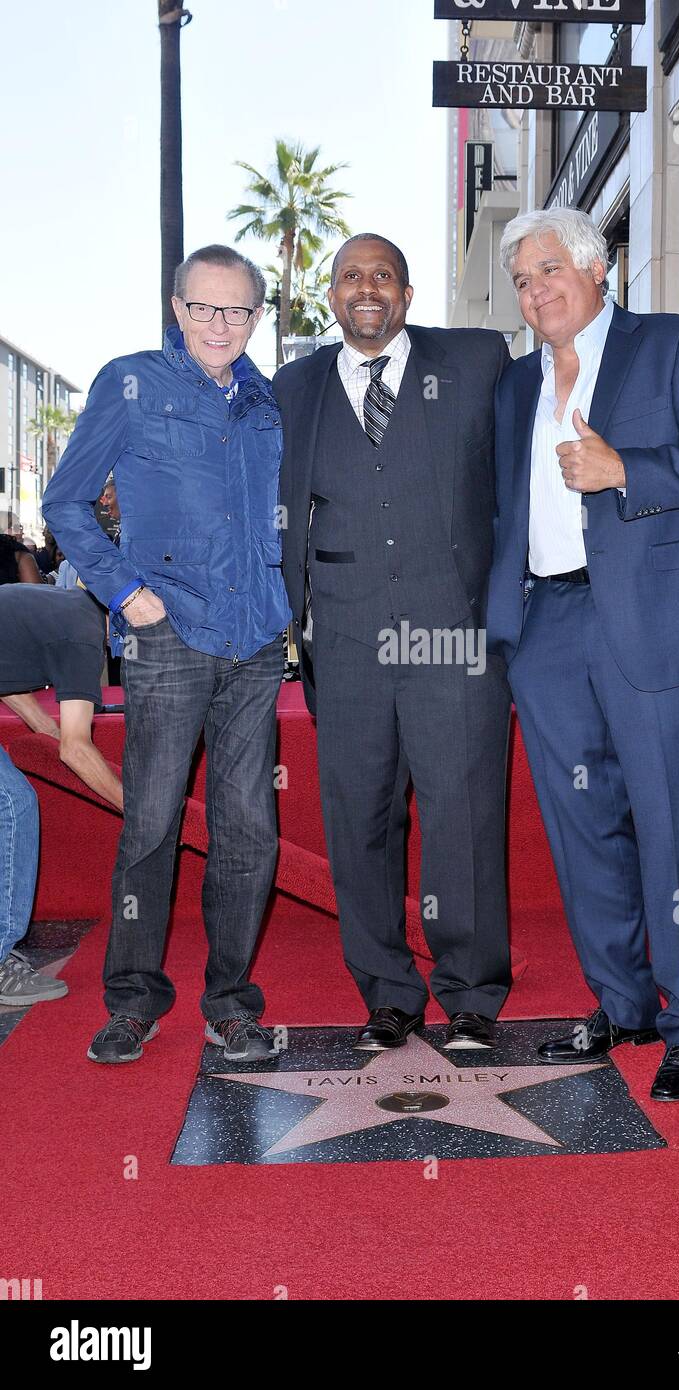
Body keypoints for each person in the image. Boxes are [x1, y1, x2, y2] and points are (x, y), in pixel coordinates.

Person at [487, 208, 679, 1101]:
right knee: (583, 831)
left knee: (678, 822)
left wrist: (625, 470)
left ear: (599, 270)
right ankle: (623, 1002)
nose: (536, 290)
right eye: (523, 279)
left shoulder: (669, 343)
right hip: (549, 624)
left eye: (551, 268)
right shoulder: (514, 386)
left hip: (658, 619)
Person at [42, 244, 290, 1065]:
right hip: (169, 635)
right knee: (148, 822)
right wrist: (123, 591)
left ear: (258, 318)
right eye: (205, 307)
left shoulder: (266, 399)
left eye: (239, 310)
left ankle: (231, 1003)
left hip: (256, 639)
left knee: (249, 829)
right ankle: (132, 997)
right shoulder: (130, 380)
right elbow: (64, 500)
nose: (221, 324)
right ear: (177, 308)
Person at [273, 233, 513, 1052]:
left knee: (463, 814)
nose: (365, 289)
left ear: (406, 295)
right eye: (350, 277)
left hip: (457, 634)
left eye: (382, 276)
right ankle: (385, 990)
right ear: (330, 297)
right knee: (359, 817)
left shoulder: (479, 360)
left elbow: (527, 465)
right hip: (343, 637)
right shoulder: (293, 387)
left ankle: (472, 993)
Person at [0, 585, 123, 1006]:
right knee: (12, 804)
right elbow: (75, 748)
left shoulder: (66, 605)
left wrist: (42, 728)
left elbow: (8, 670)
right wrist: (137, 808)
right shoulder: (83, 634)